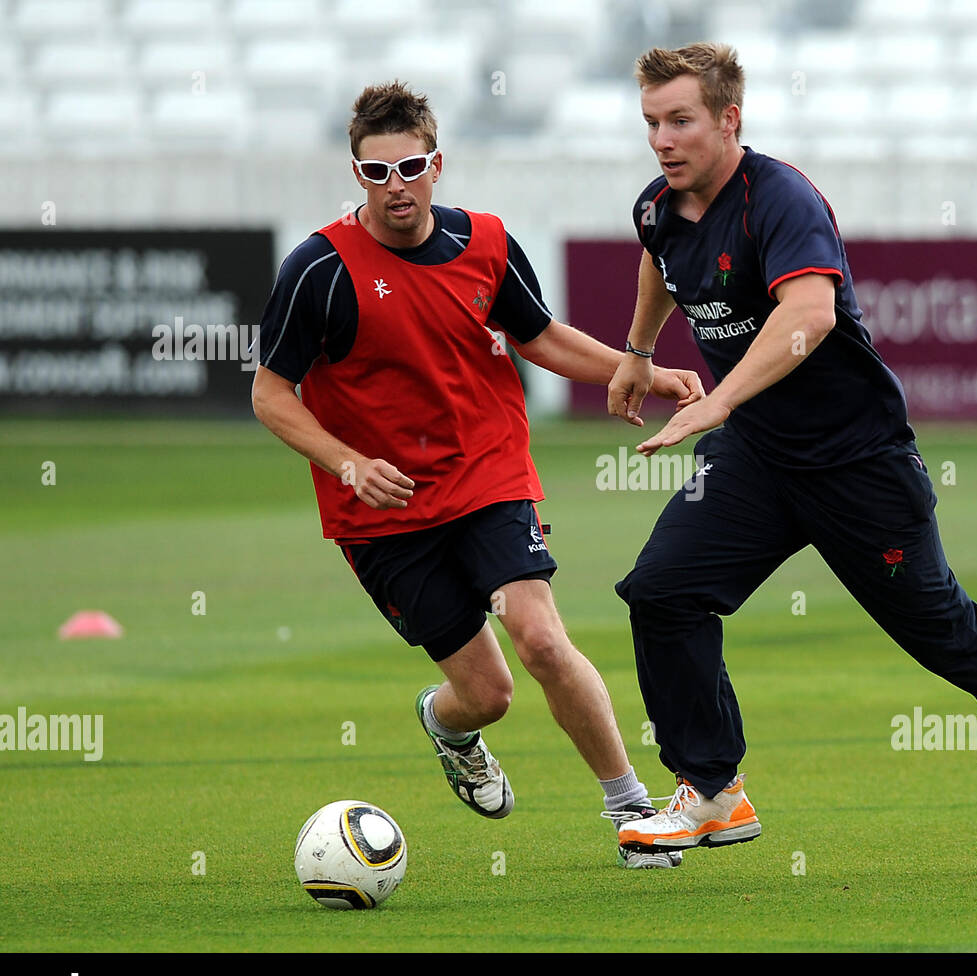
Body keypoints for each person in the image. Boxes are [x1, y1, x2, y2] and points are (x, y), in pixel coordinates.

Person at [607, 44, 977, 870]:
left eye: (680, 121)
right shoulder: (657, 207)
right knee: (664, 592)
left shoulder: (780, 199)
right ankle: (711, 790)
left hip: (858, 461)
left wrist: (718, 399)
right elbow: (660, 261)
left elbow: (806, 315)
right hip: (759, 459)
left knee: (945, 636)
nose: (662, 140)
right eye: (650, 123)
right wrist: (637, 348)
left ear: (728, 119)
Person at [252, 80, 704, 869]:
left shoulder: (487, 242)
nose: (396, 185)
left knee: (540, 637)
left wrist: (642, 369)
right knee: (490, 694)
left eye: (411, 166)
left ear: (438, 164)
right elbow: (269, 393)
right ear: (355, 174)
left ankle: (632, 812)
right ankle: (449, 724)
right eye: (376, 172)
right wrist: (348, 462)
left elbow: (540, 335)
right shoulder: (317, 270)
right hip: (382, 514)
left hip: (487, 475)